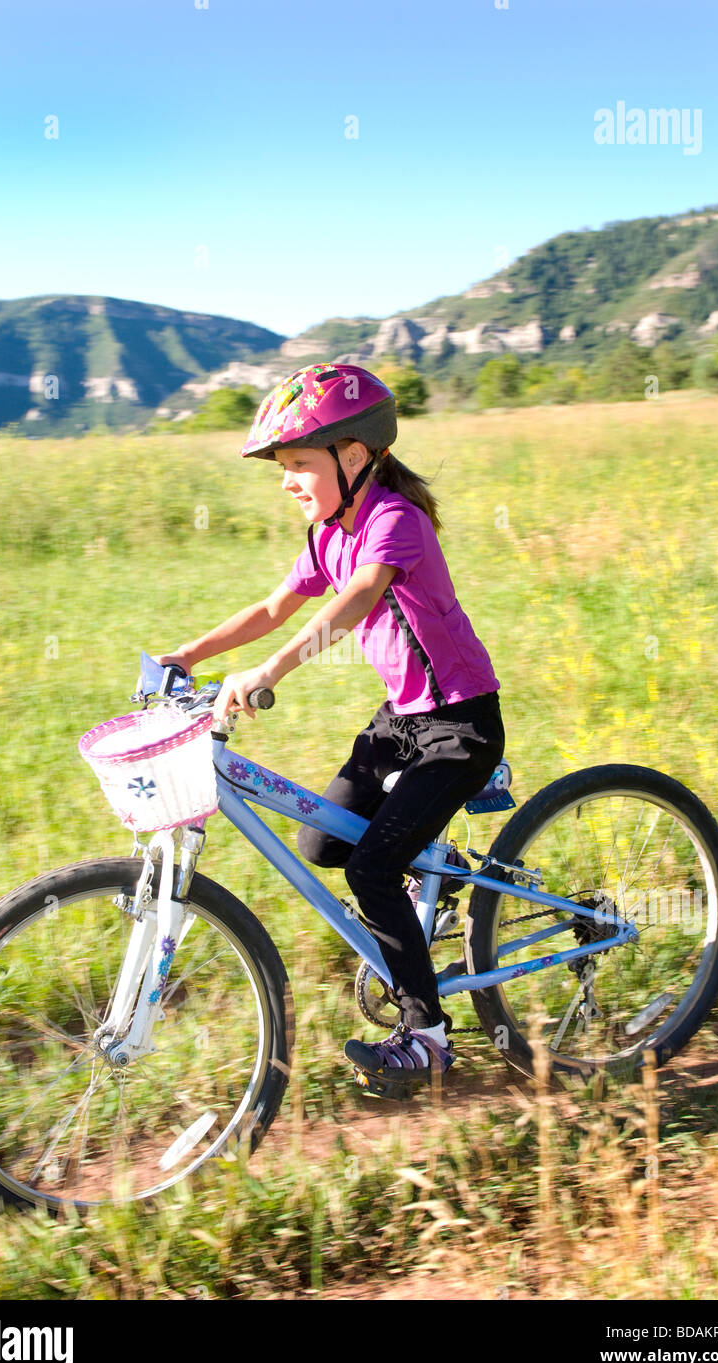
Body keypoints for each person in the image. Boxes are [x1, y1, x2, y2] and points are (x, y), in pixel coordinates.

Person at [156, 362, 505, 1096]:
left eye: (298, 465)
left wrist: (267, 674)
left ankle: (428, 1038)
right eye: (280, 469)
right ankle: (427, 888)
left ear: (354, 457)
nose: (286, 482)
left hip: (458, 726)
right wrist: (187, 655)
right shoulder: (326, 534)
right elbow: (273, 606)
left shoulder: (391, 521)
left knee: (370, 868)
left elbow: (350, 605)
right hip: (400, 723)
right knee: (322, 840)